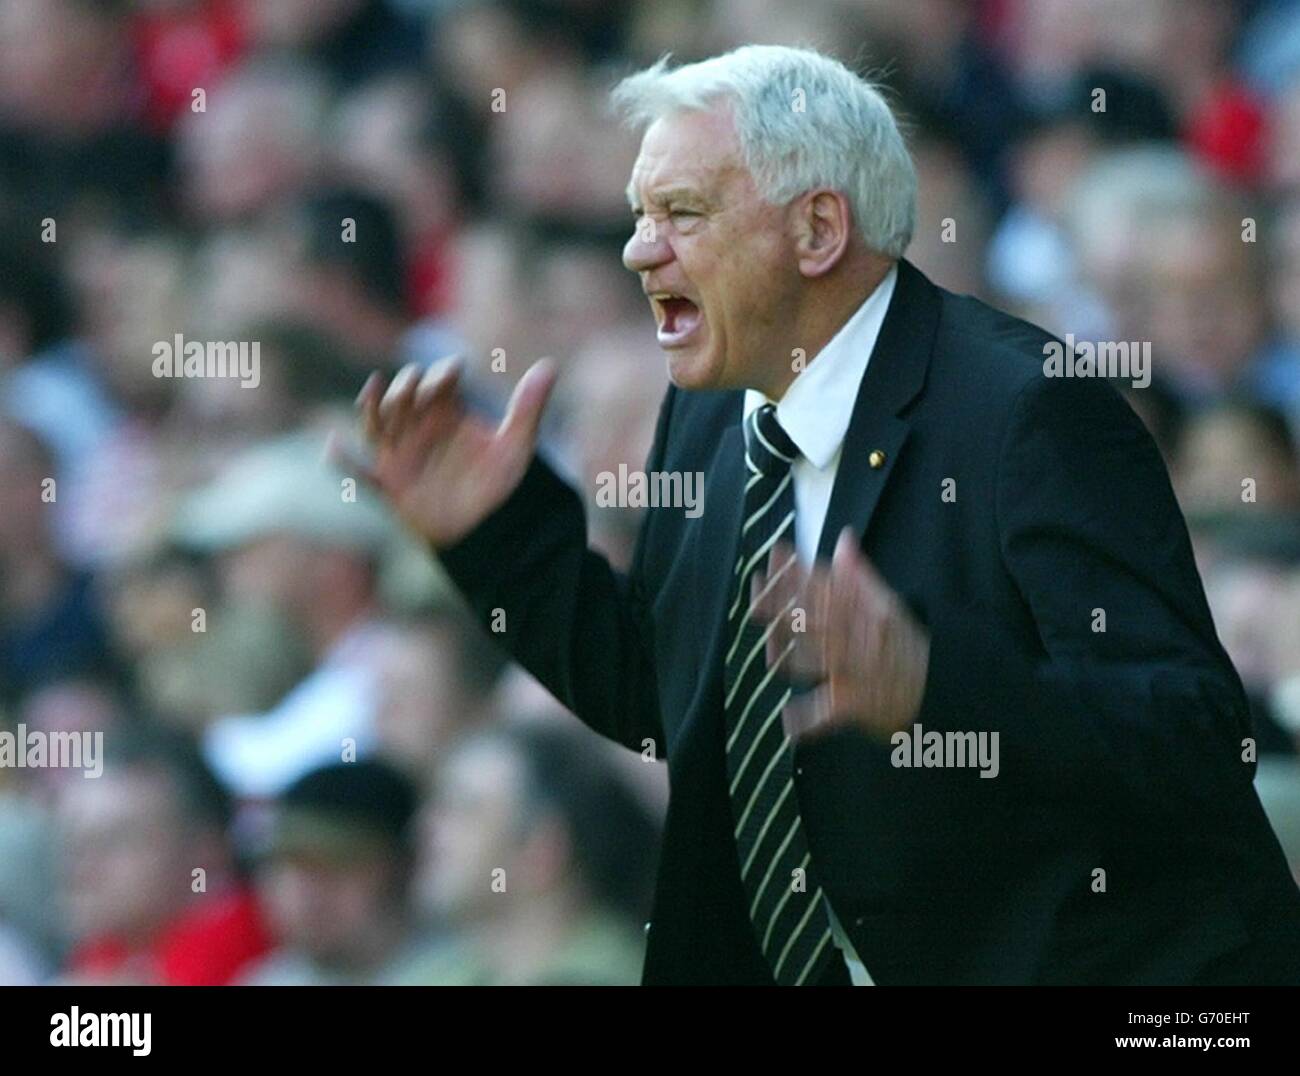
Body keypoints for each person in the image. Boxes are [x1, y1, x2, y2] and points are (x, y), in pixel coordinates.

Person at [350, 45, 1300, 985]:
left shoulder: (1028, 410)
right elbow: (673, 698)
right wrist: (496, 537)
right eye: (642, 215)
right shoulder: (715, 404)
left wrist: (936, 689)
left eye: (682, 212)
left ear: (817, 230)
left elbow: (1198, 737)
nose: (640, 249)